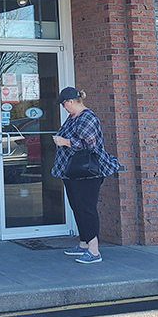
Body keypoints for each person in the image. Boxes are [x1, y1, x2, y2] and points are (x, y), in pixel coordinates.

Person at [51, 86, 120, 264]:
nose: (63, 107)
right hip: (72, 171)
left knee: (87, 209)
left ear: (72, 101)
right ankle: (83, 243)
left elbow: (89, 144)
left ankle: (94, 250)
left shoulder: (87, 117)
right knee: (77, 207)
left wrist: (64, 141)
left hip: (86, 173)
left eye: (64, 104)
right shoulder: (73, 117)